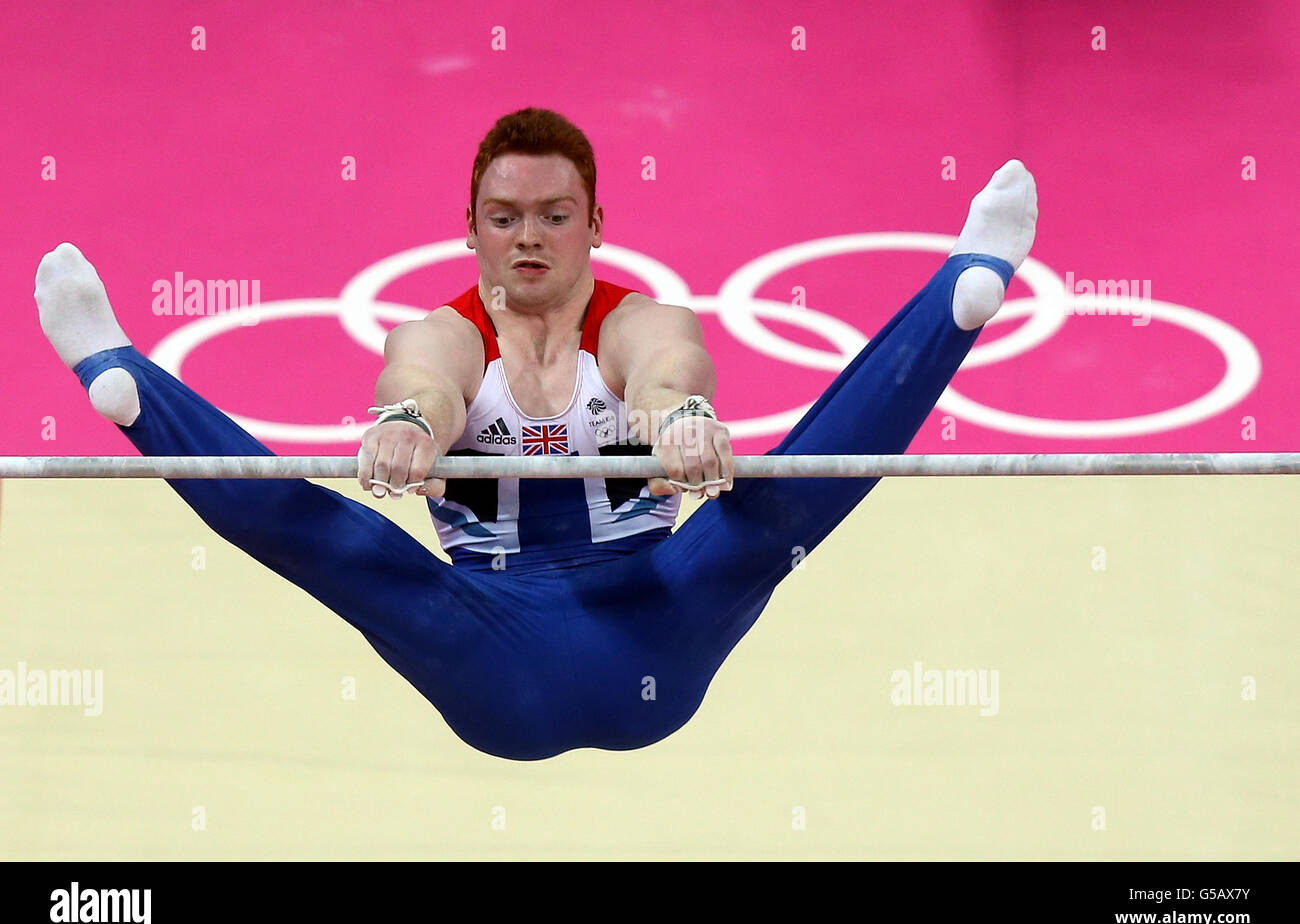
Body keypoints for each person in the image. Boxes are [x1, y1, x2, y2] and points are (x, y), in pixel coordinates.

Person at [34, 107, 1036, 761]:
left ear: (596, 221)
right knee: (335, 542)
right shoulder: (438, 334)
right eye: (504, 216)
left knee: (773, 509)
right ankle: (126, 378)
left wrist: (679, 416)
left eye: (554, 215)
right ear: (470, 227)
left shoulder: (643, 320)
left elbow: (664, 371)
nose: (527, 236)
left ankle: (956, 295)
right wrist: (404, 426)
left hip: (656, 621)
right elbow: (424, 385)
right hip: (492, 647)